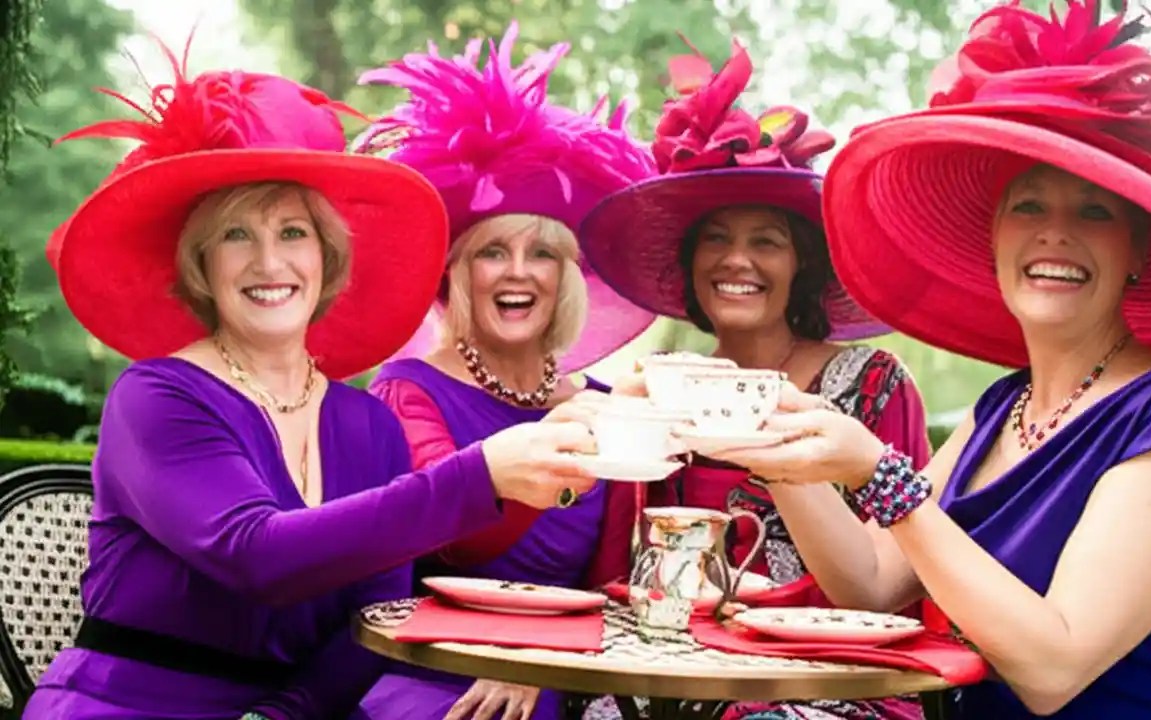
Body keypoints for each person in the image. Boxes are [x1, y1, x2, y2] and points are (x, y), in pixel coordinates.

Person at [680, 3, 1151, 718]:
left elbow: (1054, 667)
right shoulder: (1002, 407)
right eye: (1029, 207)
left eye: (1093, 212)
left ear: (1141, 250)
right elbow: (869, 582)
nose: (1054, 235)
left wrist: (876, 472)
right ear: (994, 237)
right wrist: (781, 448)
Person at [25, 42, 598, 720]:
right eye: (237, 234)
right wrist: (481, 477)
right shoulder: (155, 397)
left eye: (292, 232)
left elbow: (374, 622)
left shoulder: (367, 423)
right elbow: (256, 554)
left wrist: (283, 715)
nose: (270, 262)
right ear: (201, 266)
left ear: (327, 260)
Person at [577, 37, 930, 720]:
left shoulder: (874, 385)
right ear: (690, 261)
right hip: (674, 674)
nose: (736, 259)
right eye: (716, 237)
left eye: (766, 240)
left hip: (830, 682)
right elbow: (616, 576)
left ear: (803, 265)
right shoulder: (657, 388)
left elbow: (896, 584)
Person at [350, 23, 655, 720]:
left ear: (567, 278)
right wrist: (568, 438)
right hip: (426, 664)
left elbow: (614, 585)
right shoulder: (407, 391)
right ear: (455, 275)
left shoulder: (606, 407)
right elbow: (453, 537)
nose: (518, 272)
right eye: (492, 251)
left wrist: (541, 666)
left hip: (557, 673)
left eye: (541, 254)